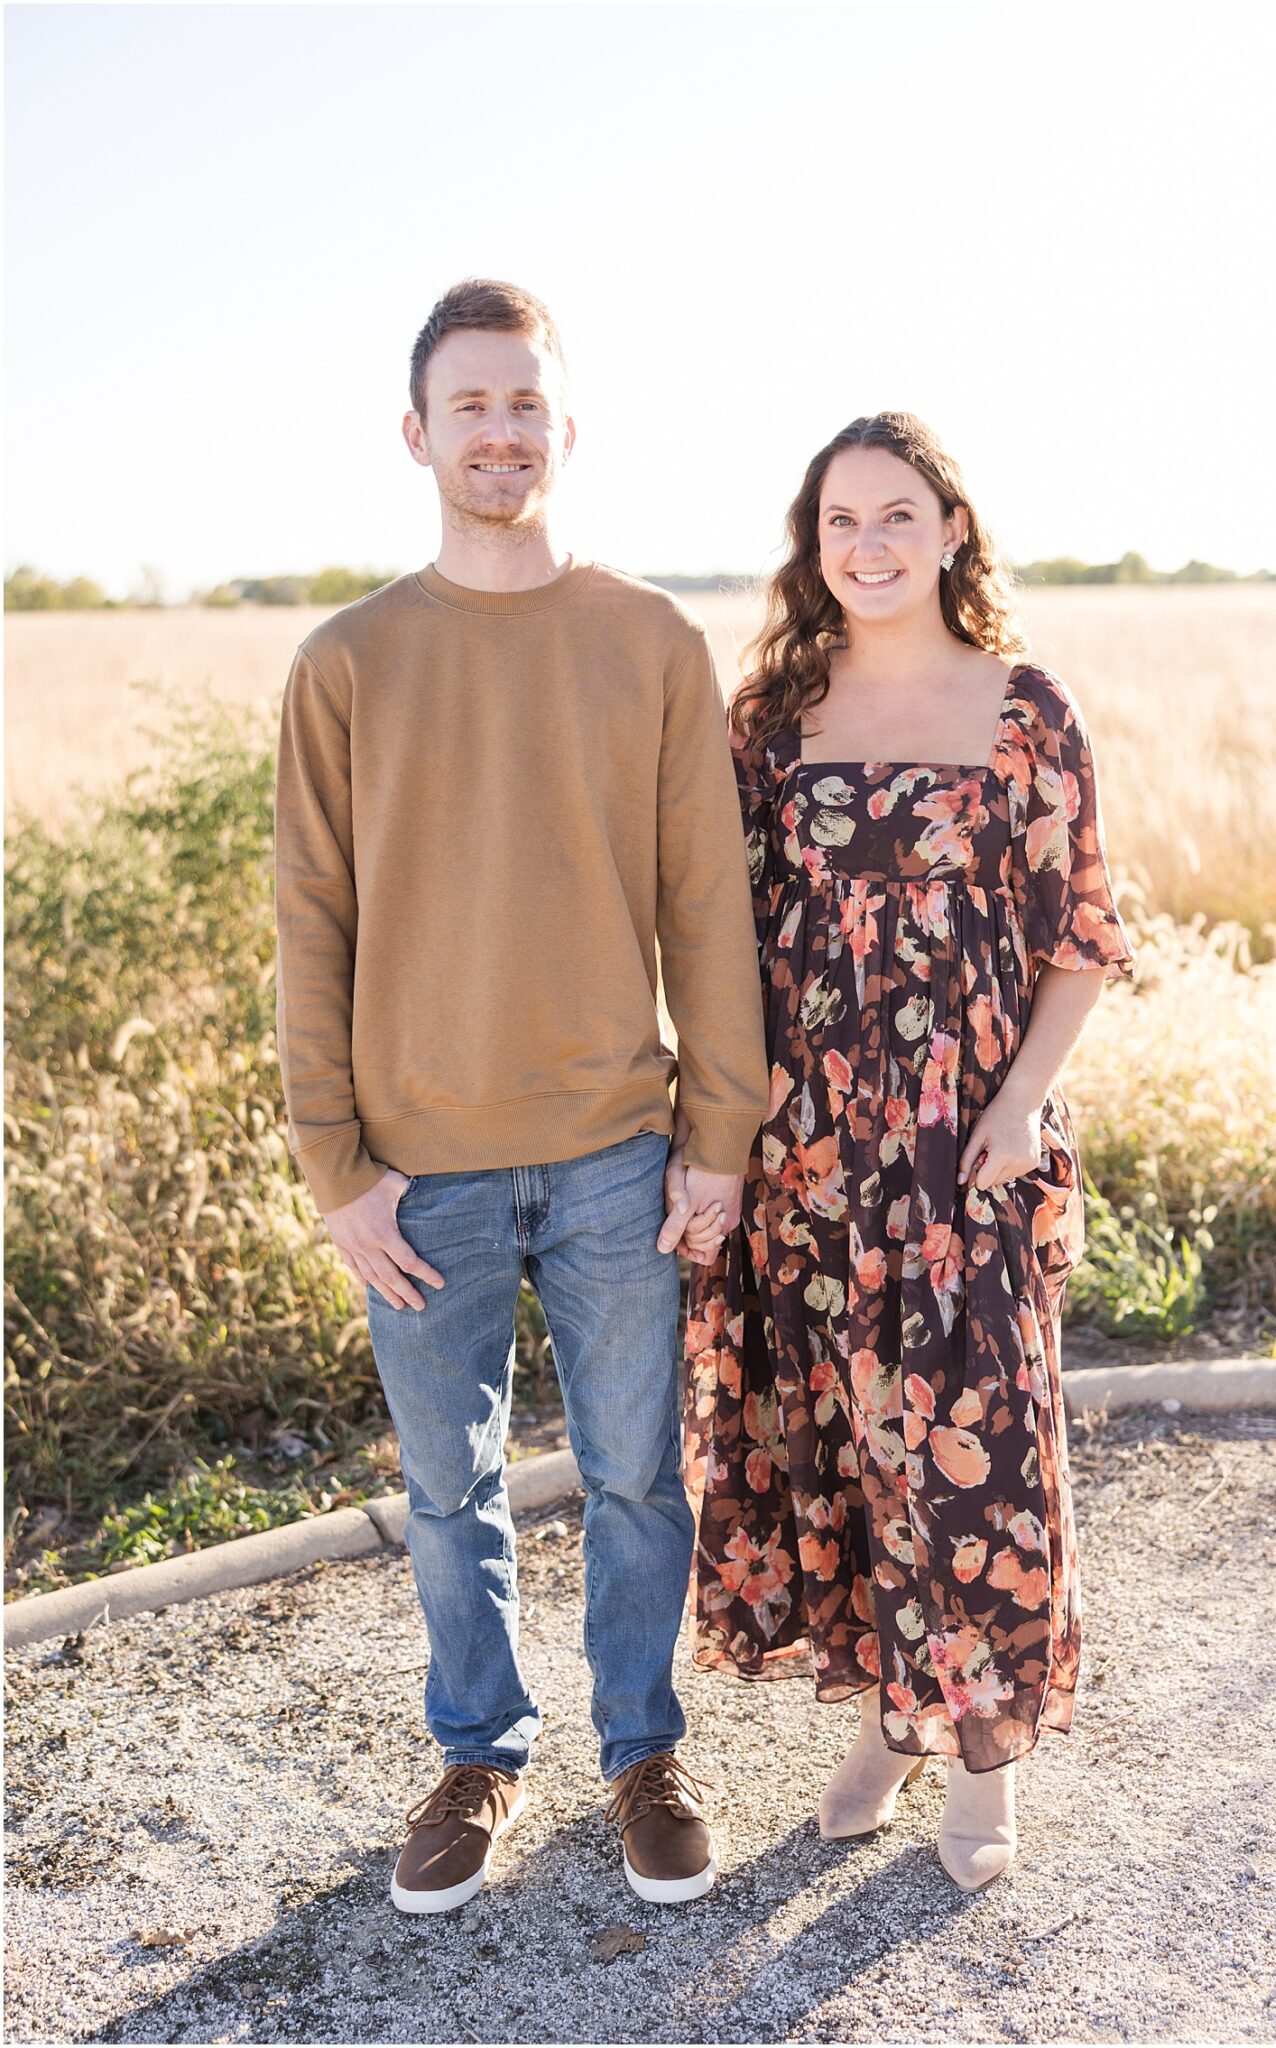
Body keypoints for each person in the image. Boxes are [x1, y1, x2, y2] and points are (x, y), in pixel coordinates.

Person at [272, 278, 768, 1914]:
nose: (500, 431)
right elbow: (312, 923)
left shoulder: (647, 642)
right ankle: (480, 1750)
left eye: (526, 404)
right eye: (469, 406)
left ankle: (643, 1750)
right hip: (420, 1177)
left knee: (637, 1477)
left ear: (566, 427)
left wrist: (722, 1129)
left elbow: (708, 903)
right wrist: (334, 1164)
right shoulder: (347, 663)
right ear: (418, 434)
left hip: (623, 1156)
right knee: (445, 1489)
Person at [680, 412, 1135, 1892]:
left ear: (952, 530)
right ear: (812, 549)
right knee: (843, 1431)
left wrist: (1019, 1107)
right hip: (808, 1139)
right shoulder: (769, 717)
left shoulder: (1024, 708)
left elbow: (1080, 935)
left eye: (894, 516)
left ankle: (987, 1748)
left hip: (966, 1138)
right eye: (837, 524)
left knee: (980, 1437)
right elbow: (722, 937)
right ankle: (891, 1712)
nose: (864, 546)